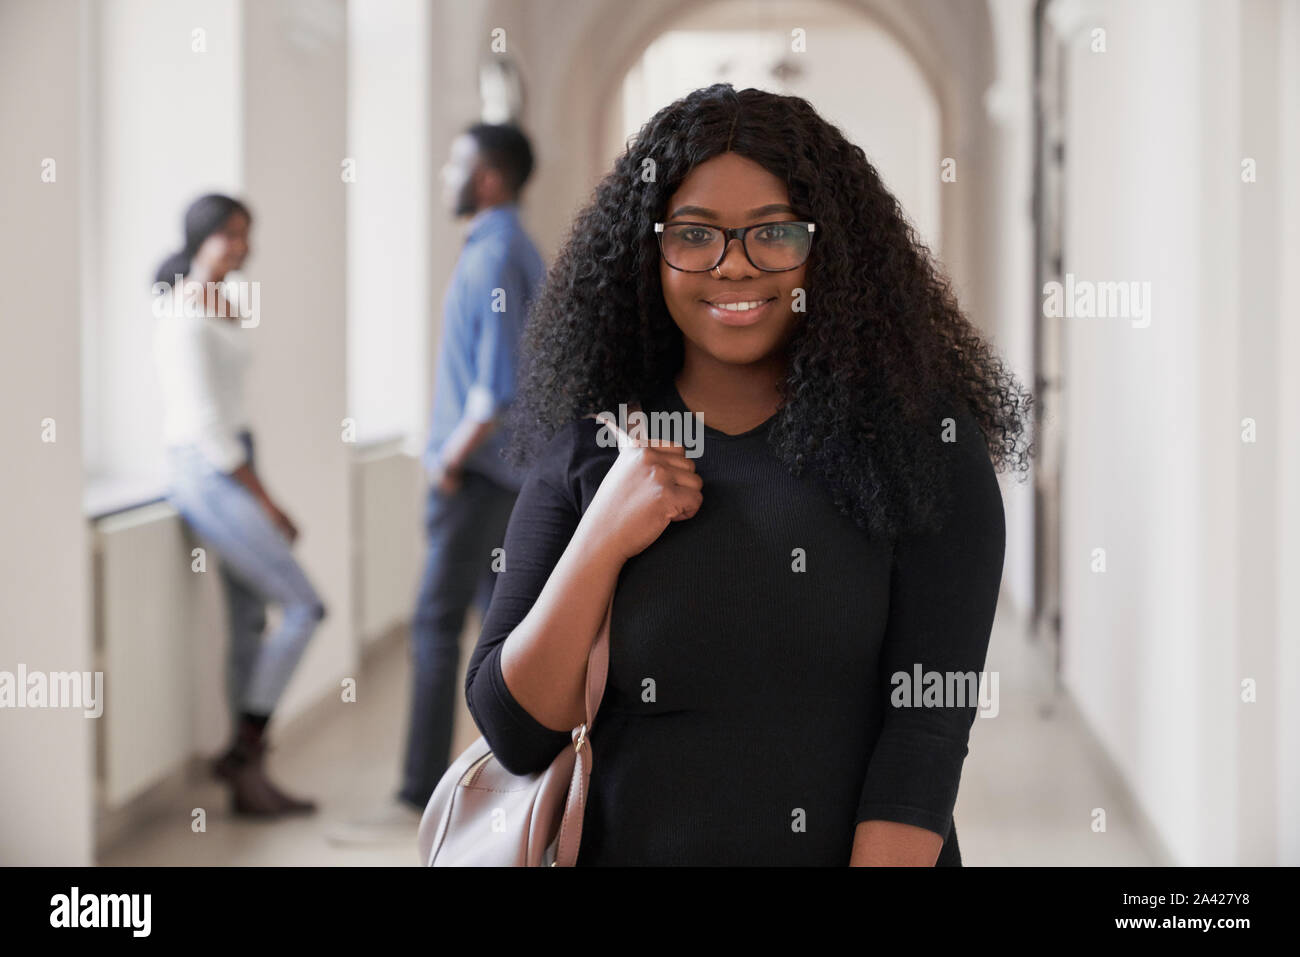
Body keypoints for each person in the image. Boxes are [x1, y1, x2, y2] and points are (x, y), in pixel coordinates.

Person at [463, 85, 1036, 865]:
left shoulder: (921, 444)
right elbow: (517, 728)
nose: (732, 267)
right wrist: (600, 536)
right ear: (648, 247)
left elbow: (926, 731)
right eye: (694, 235)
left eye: (773, 233)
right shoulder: (596, 442)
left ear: (826, 248)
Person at [329, 124, 545, 843]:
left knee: (434, 624)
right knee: (501, 634)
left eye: (456, 162)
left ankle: (418, 791)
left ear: (487, 177)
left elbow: (495, 385)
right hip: (501, 474)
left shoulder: (494, 253)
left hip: (478, 476)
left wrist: (448, 458)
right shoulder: (508, 246)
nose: (445, 173)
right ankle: (512, 788)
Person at [153, 193, 327, 818]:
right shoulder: (182, 314)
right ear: (200, 237)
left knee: (251, 626)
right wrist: (269, 503)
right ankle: (242, 748)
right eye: (229, 234)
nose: (241, 245)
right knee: (306, 606)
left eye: (246, 234)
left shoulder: (222, 304)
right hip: (209, 471)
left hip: (233, 459)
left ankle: (249, 777)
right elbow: (205, 426)